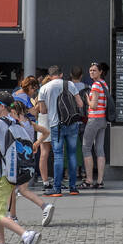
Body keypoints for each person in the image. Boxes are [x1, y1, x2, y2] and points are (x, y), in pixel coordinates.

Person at [0, 91, 42, 244]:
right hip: (14, 173)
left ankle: (26, 235)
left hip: (2, 173)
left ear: (2, 107)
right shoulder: (16, 123)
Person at [5, 99, 56, 228]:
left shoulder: (15, 125)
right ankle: (14, 216)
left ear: (14, 112)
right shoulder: (30, 123)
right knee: (19, 189)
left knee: (16, 189)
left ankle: (16, 216)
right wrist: (37, 143)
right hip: (29, 159)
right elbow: (46, 132)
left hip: (17, 160)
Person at [40, 66, 83, 197]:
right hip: (72, 123)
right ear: (61, 74)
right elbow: (80, 104)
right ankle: (73, 187)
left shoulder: (44, 88)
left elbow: (42, 111)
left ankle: (57, 189)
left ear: (49, 75)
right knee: (72, 154)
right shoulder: (69, 84)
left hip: (56, 125)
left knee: (58, 155)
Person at [80, 61, 110, 189]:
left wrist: (87, 99)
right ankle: (100, 181)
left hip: (94, 119)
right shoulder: (104, 84)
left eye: (94, 70)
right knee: (99, 149)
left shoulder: (96, 85)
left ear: (100, 72)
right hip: (103, 119)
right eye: (90, 70)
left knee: (86, 148)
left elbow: (93, 105)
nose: (92, 72)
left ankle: (89, 180)